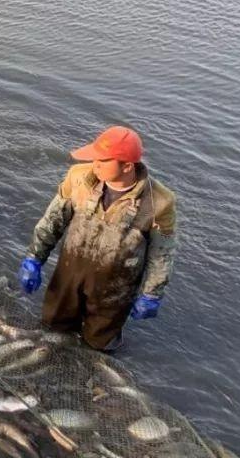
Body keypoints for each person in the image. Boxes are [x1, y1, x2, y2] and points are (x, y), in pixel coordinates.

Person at [18, 125, 178, 352]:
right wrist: (34, 258)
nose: (95, 165)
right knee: (51, 331)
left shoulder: (160, 201)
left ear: (127, 167)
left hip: (115, 287)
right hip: (69, 272)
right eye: (95, 159)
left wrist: (152, 293)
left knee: (98, 345)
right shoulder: (79, 178)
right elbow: (53, 220)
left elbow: (161, 254)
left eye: (102, 161)